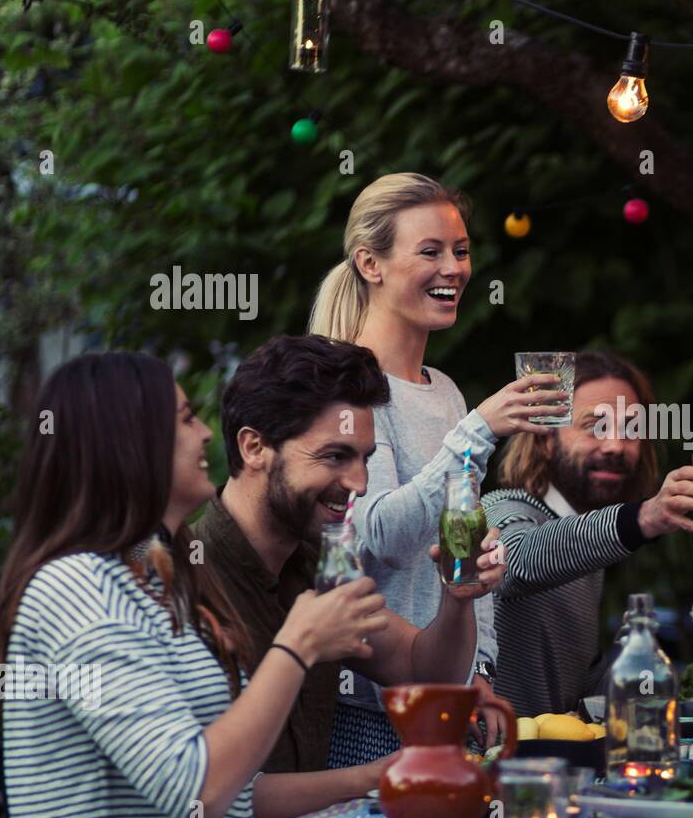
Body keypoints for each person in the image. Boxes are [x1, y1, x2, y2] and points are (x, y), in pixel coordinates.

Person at [0, 353, 385, 818]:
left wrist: (375, 779)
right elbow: (194, 789)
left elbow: (235, 797)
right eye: (185, 419)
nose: (205, 433)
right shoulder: (73, 589)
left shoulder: (161, 578)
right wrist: (298, 646)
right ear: (126, 440)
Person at [308, 172, 568, 761]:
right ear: (370, 264)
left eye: (461, 250)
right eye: (430, 251)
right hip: (372, 719)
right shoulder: (343, 385)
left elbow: (458, 553)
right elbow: (378, 535)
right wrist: (478, 431)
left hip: (449, 707)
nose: (454, 268)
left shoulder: (444, 390)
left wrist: (481, 669)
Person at [194, 334, 504, 780]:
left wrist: (457, 597)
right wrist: (377, 776)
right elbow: (221, 795)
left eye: (365, 459)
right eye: (335, 456)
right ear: (254, 447)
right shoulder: (183, 577)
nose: (359, 482)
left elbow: (423, 670)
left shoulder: (326, 565)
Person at [484, 351, 693, 718]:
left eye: (630, 430)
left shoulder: (588, 547)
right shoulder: (502, 508)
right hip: (491, 765)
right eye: (595, 426)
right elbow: (514, 563)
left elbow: (573, 693)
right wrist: (643, 517)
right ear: (545, 438)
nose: (615, 446)